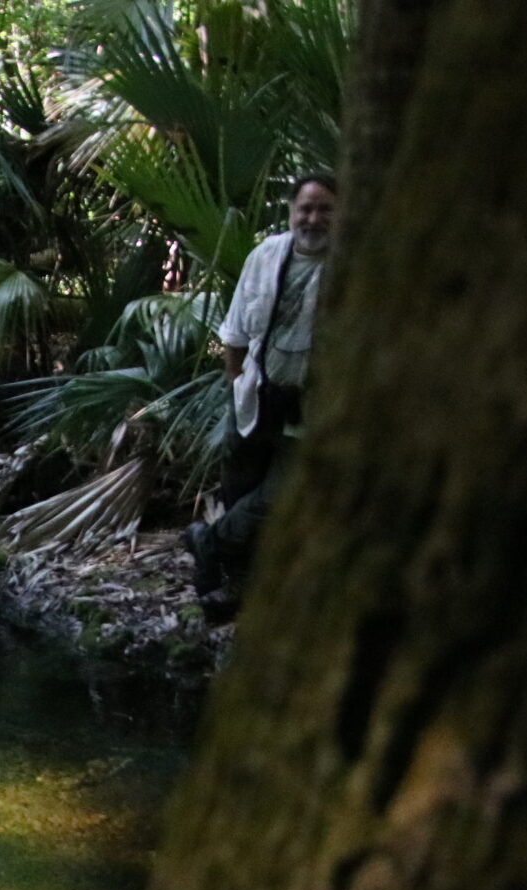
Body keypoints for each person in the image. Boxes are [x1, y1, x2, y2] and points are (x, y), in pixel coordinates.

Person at [183, 171, 336, 621]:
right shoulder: (267, 255)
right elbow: (234, 331)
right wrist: (237, 386)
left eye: (325, 209)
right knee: (240, 490)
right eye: (305, 208)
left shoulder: (357, 264)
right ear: (291, 211)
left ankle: (207, 541)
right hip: (254, 396)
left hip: (310, 407)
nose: (313, 218)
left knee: (276, 497)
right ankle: (232, 586)